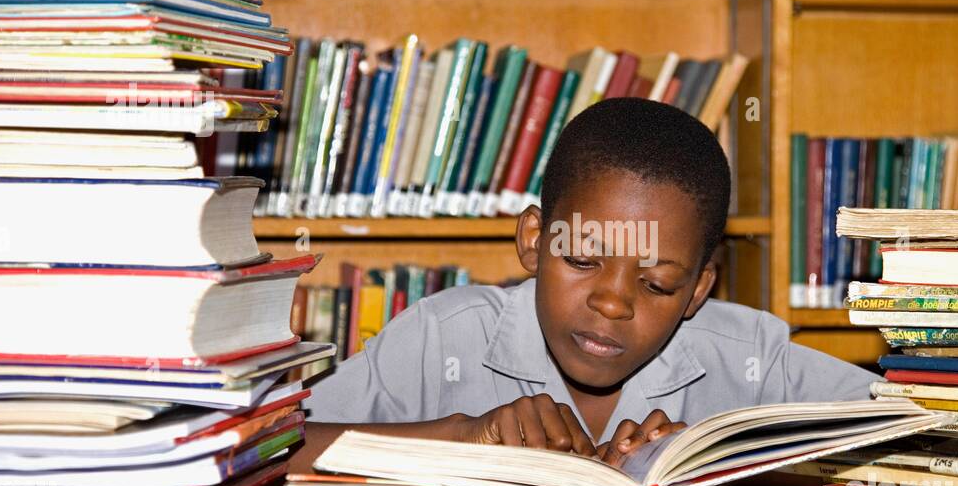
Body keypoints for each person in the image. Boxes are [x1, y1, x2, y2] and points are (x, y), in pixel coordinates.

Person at [305, 97, 878, 465]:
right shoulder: (441, 338)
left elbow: (925, 429)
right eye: (582, 259)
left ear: (698, 290)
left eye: (656, 284)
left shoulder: (749, 356)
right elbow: (254, 454)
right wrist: (458, 438)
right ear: (534, 239)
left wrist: (715, 456)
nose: (611, 301)